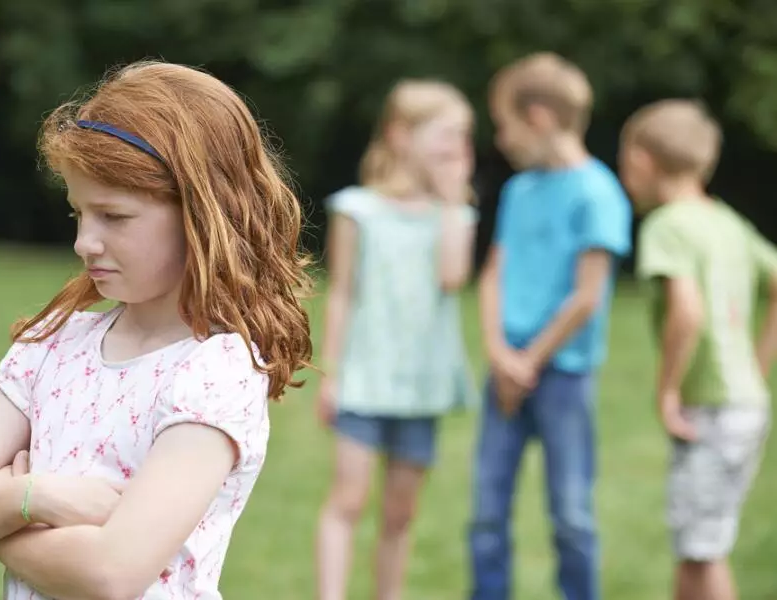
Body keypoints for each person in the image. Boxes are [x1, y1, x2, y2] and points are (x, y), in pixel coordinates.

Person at [0, 60, 313, 600]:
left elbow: (111, 575)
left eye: (114, 217)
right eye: (78, 214)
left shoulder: (215, 372)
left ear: (202, 213)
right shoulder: (54, 345)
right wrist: (35, 498)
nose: (84, 243)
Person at [470, 52, 633, 600]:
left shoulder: (598, 193)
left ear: (538, 117)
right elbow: (493, 272)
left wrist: (528, 361)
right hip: (506, 370)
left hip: (562, 375)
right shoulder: (520, 191)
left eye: (505, 124)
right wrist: (499, 353)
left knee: (572, 516)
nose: (503, 138)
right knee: (487, 512)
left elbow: (586, 297)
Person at [315, 79, 479, 600]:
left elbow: (453, 277)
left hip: (421, 387)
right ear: (400, 135)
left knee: (400, 513)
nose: (458, 147)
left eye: (464, 137)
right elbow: (341, 294)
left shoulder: (458, 217)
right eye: (446, 134)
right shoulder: (357, 209)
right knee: (348, 500)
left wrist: (453, 203)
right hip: (365, 379)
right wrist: (331, 372)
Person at [620, 99, 777, 600]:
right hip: (747, 405)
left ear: (642, 160)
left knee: (700, 552)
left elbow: (686, 313)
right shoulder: (726, 222)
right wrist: (758, 366)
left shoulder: (666, 226)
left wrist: (667, 391)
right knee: (702, 544)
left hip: (708, 409)